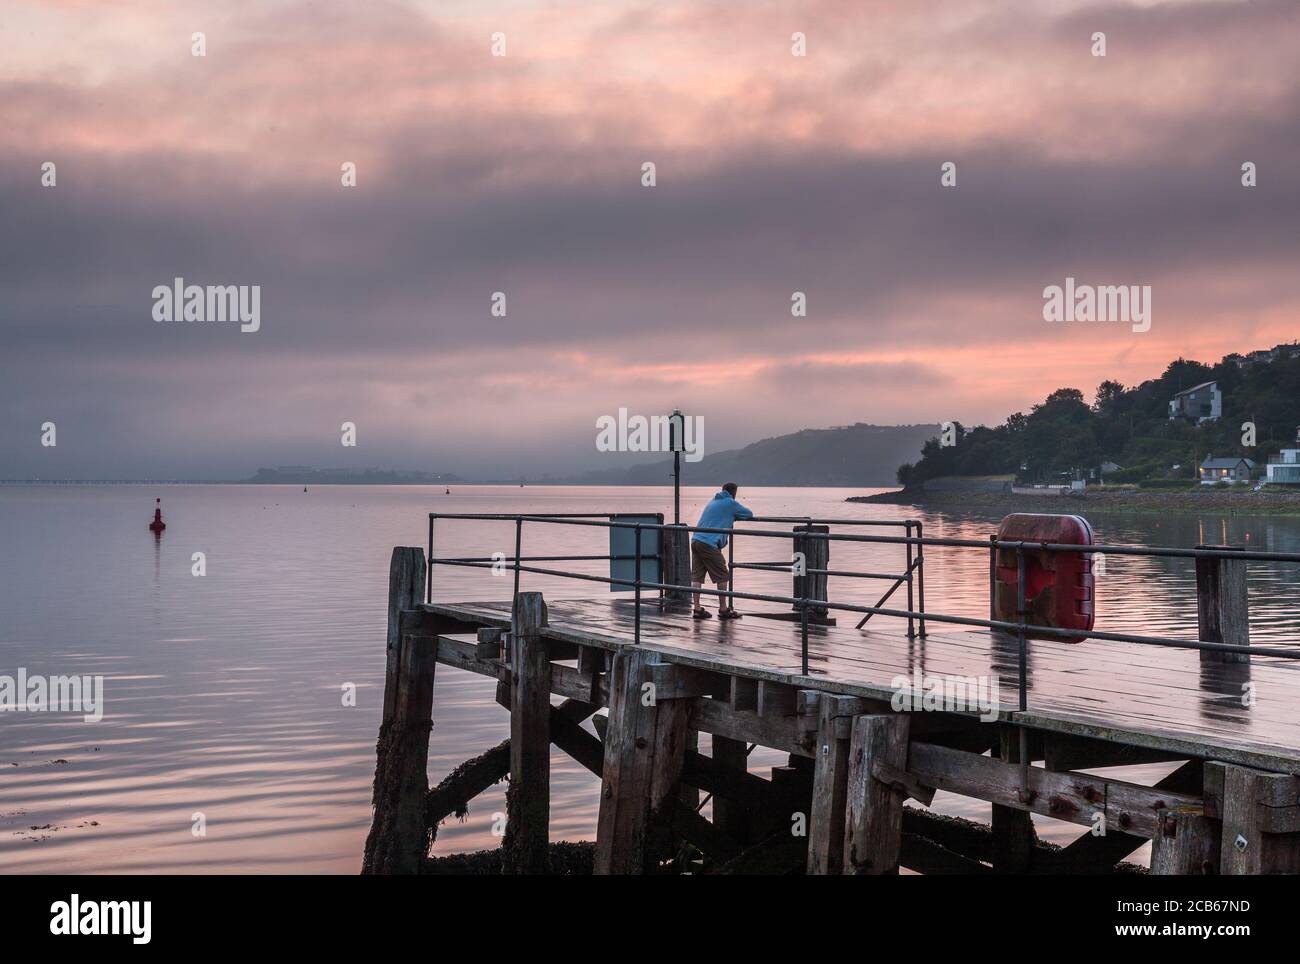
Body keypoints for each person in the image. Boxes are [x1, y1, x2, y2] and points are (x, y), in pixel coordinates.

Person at [690, 482, 752, 620]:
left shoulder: (712, 502)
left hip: (695, 540)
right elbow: (749, 514)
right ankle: (724, 609)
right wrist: (734, 516)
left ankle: (697, 608)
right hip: (708, 542)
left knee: (697, 576)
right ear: (734, 493)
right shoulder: (730, 503)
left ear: (722, 490)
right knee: (723, 575)